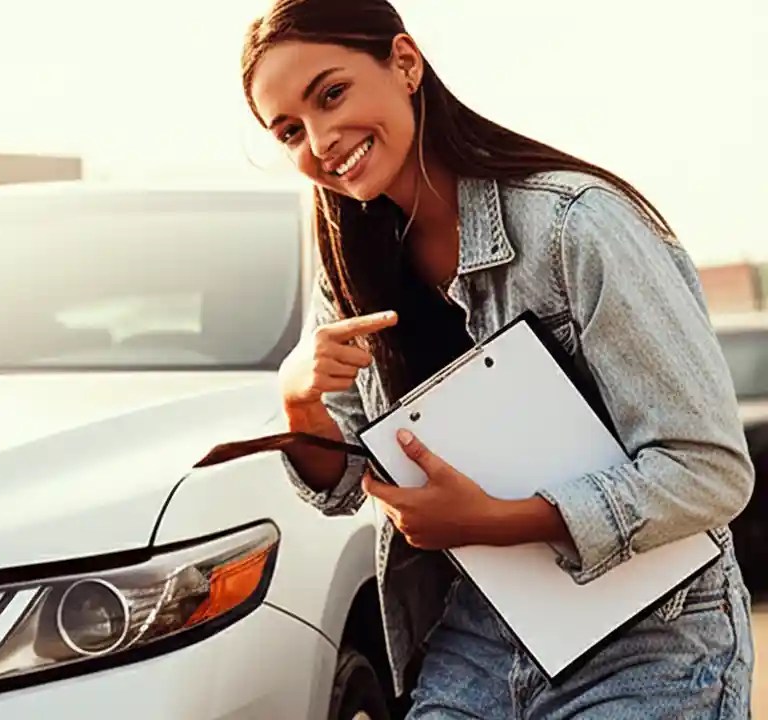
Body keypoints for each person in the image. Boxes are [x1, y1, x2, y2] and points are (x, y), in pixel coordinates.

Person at [241, 0, 756, 717]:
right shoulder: (351, 266)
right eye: (290, 131)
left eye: (332, 94)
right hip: (480, 632)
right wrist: (299, 402)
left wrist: (496, 519)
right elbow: (349, 482)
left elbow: (710, 473)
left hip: (653, 629)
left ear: (405, 63)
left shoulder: (576, 224)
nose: (321, 140)